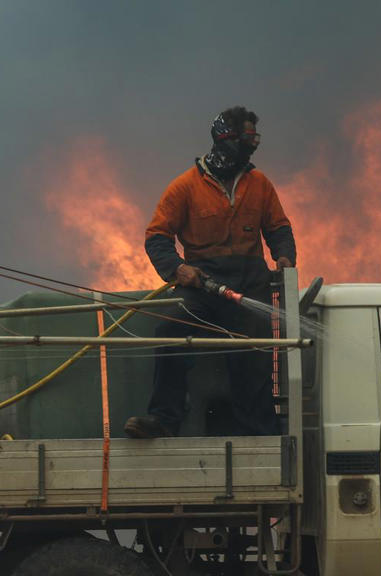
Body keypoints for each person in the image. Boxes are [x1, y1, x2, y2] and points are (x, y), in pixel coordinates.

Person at [124, 106, 297, 439]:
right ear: (225, 138)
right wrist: (177, 269)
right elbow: (157, 236)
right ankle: (164, 420)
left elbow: (278, 228)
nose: (252, 146)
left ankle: (259, 436)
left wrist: (285, 256)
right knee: (170, 332)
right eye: (247, 139)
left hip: (250, 286)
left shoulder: (260, 184)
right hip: (202, 286)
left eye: (254, 139)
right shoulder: (185, 187)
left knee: (255, 358)